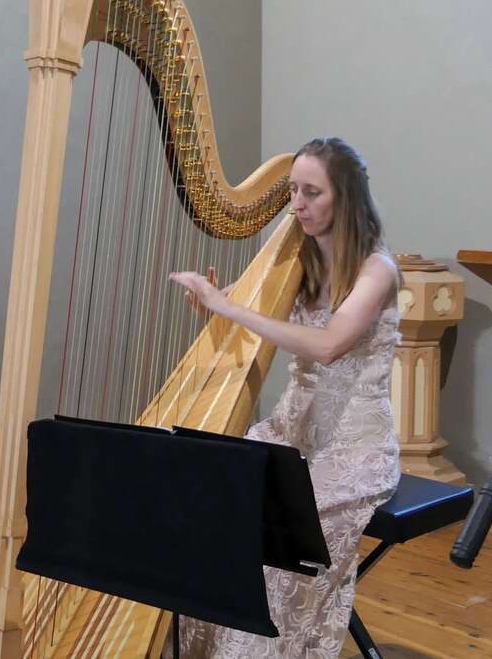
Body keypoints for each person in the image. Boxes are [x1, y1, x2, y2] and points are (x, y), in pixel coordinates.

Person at [167, 137, 402, 659]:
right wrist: (218, 308)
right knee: (209, 508)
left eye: (312, 192)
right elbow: (265, 323)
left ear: (346, 198)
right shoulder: (298, 264)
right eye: (293, 191)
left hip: (352, 452)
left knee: (281, 553)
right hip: (290, 433)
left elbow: (328, 346)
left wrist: (229, 309)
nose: (298, 204)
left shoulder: (376, 270)